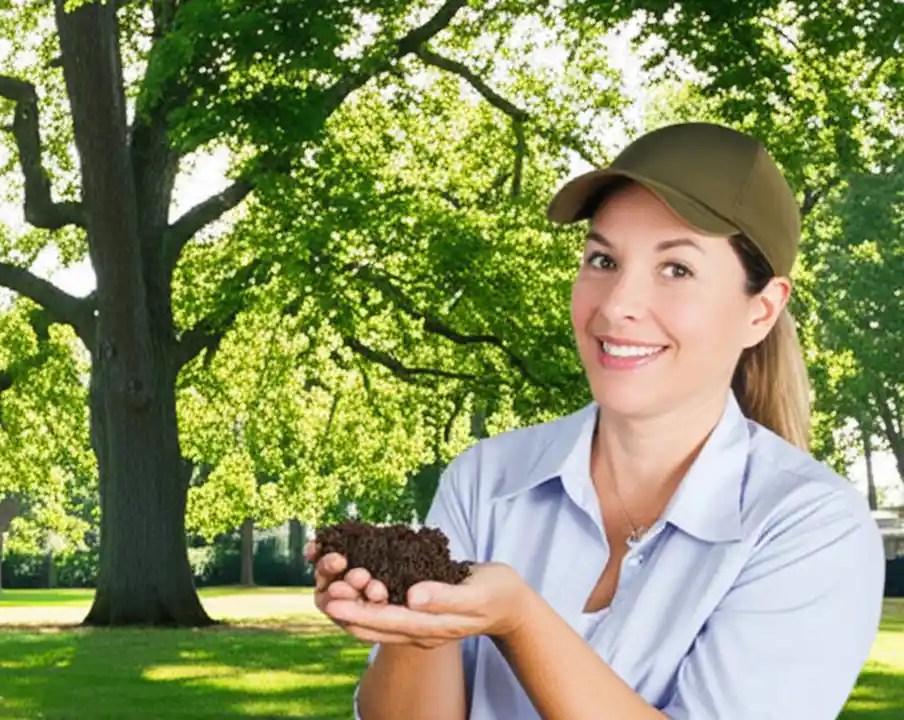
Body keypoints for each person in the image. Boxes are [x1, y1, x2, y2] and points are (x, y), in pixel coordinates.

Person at [307, 122, 884, 719]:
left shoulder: (811, 528)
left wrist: (519, 618)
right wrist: (417, 624)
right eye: (603, 259)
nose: (616, 305)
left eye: (676, 269)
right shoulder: (485, 479)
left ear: (760, 311)